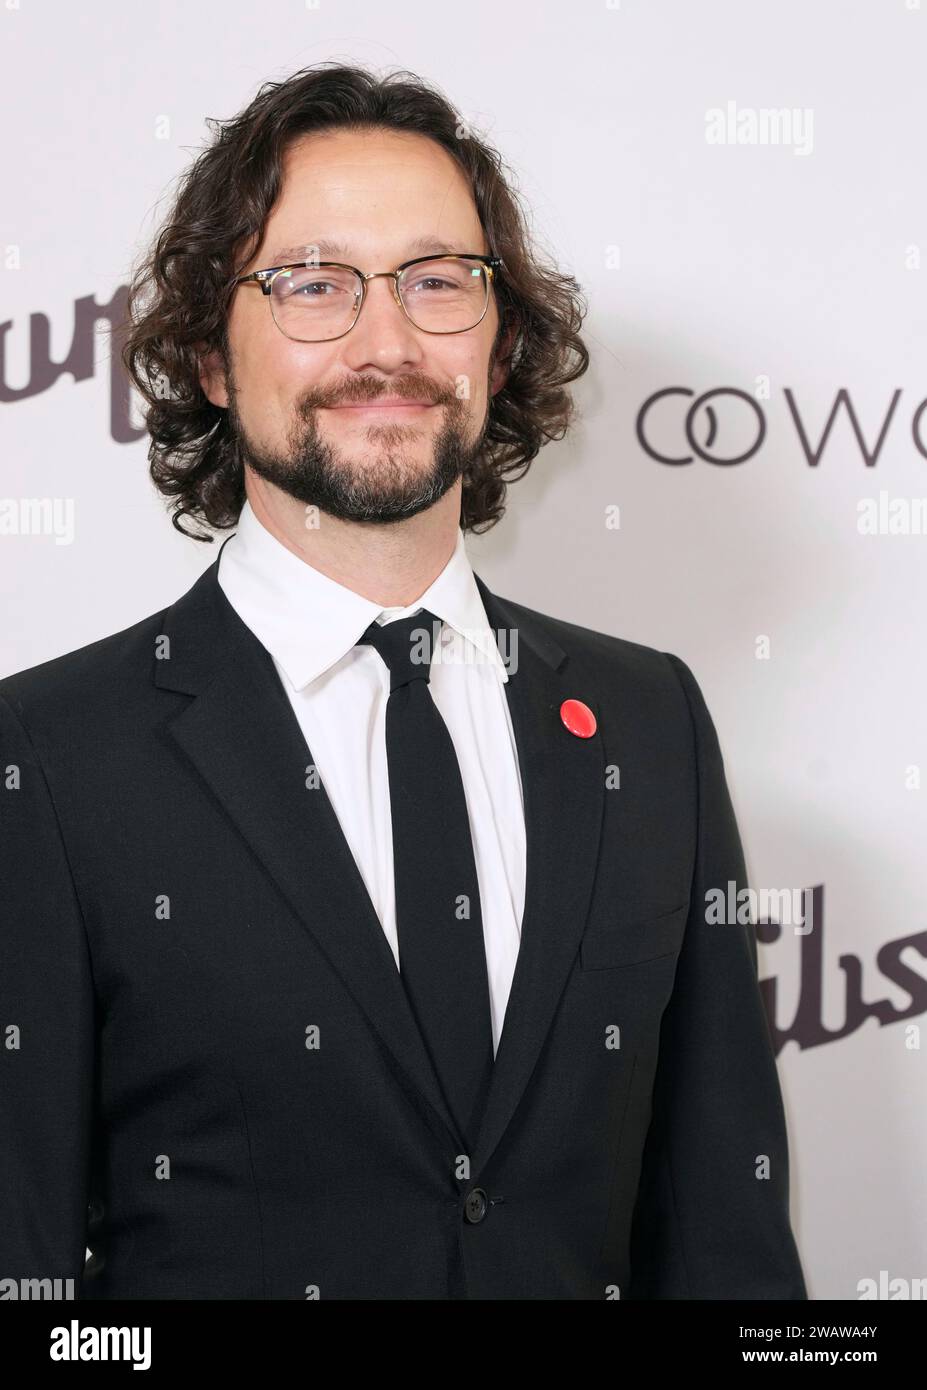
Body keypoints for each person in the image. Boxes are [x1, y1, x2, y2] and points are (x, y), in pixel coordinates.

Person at [0, 63, 807, 1300]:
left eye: (439, 282)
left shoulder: (650, 725)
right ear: (213, 356)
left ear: (501, 336)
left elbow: (728, 1253)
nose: (388, 343)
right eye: (313, 284)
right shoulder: (49, 756)